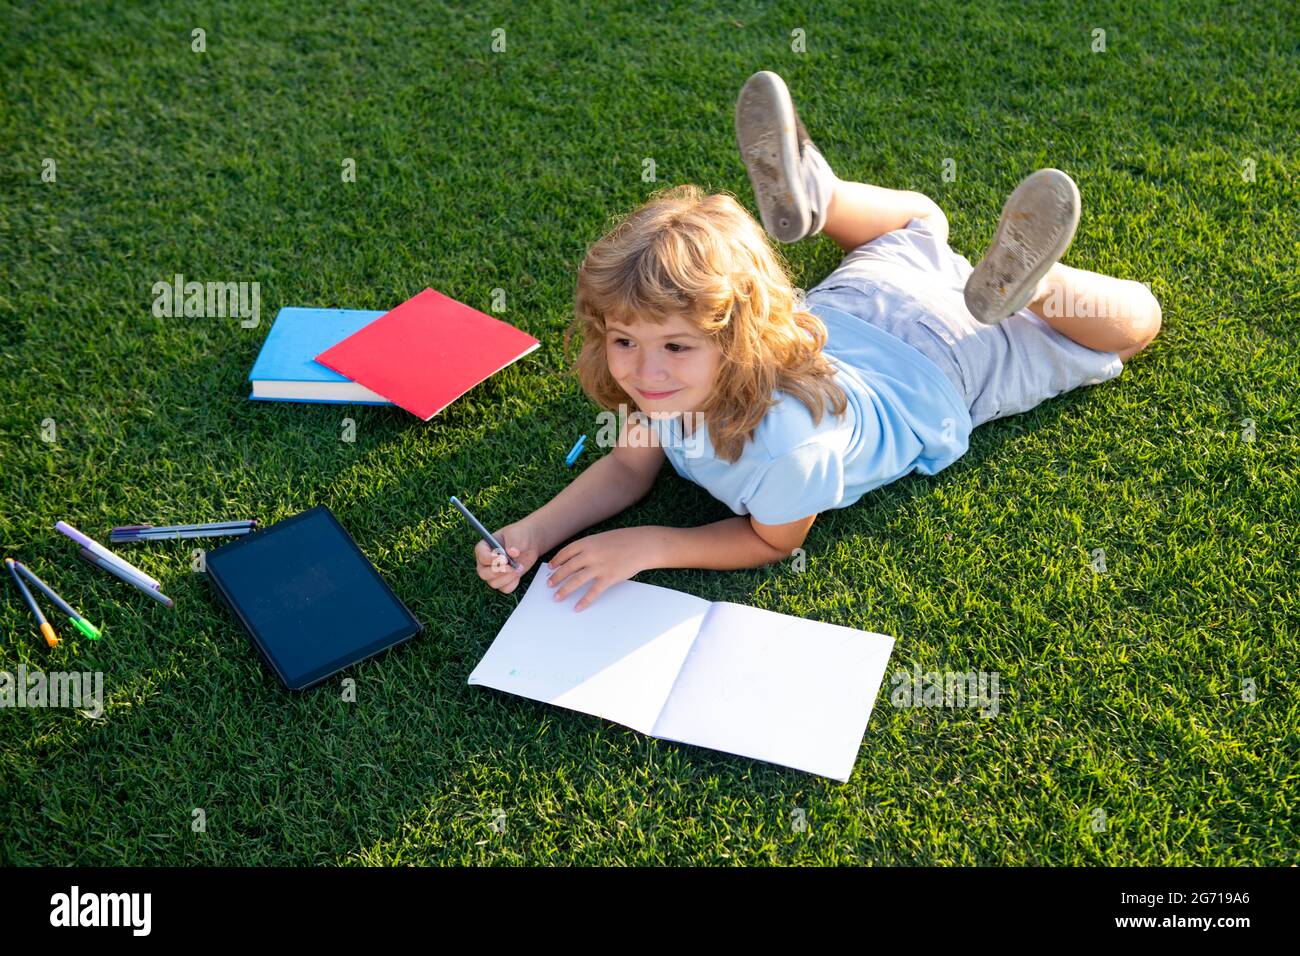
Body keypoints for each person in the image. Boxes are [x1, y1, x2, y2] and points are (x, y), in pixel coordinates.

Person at [474, 70, 1162, 611]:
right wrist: (534, 531)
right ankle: (824, 201)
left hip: (948, 356)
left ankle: (1033, 289)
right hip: (855, 308)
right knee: (919, 220)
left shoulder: (789, 449)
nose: (644, 371)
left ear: (736, 337)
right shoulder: (665, 386)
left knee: (1137, 325)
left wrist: (651, 544)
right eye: (624, 340)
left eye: (675, 347)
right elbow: (628, 468)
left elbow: (771, 541)